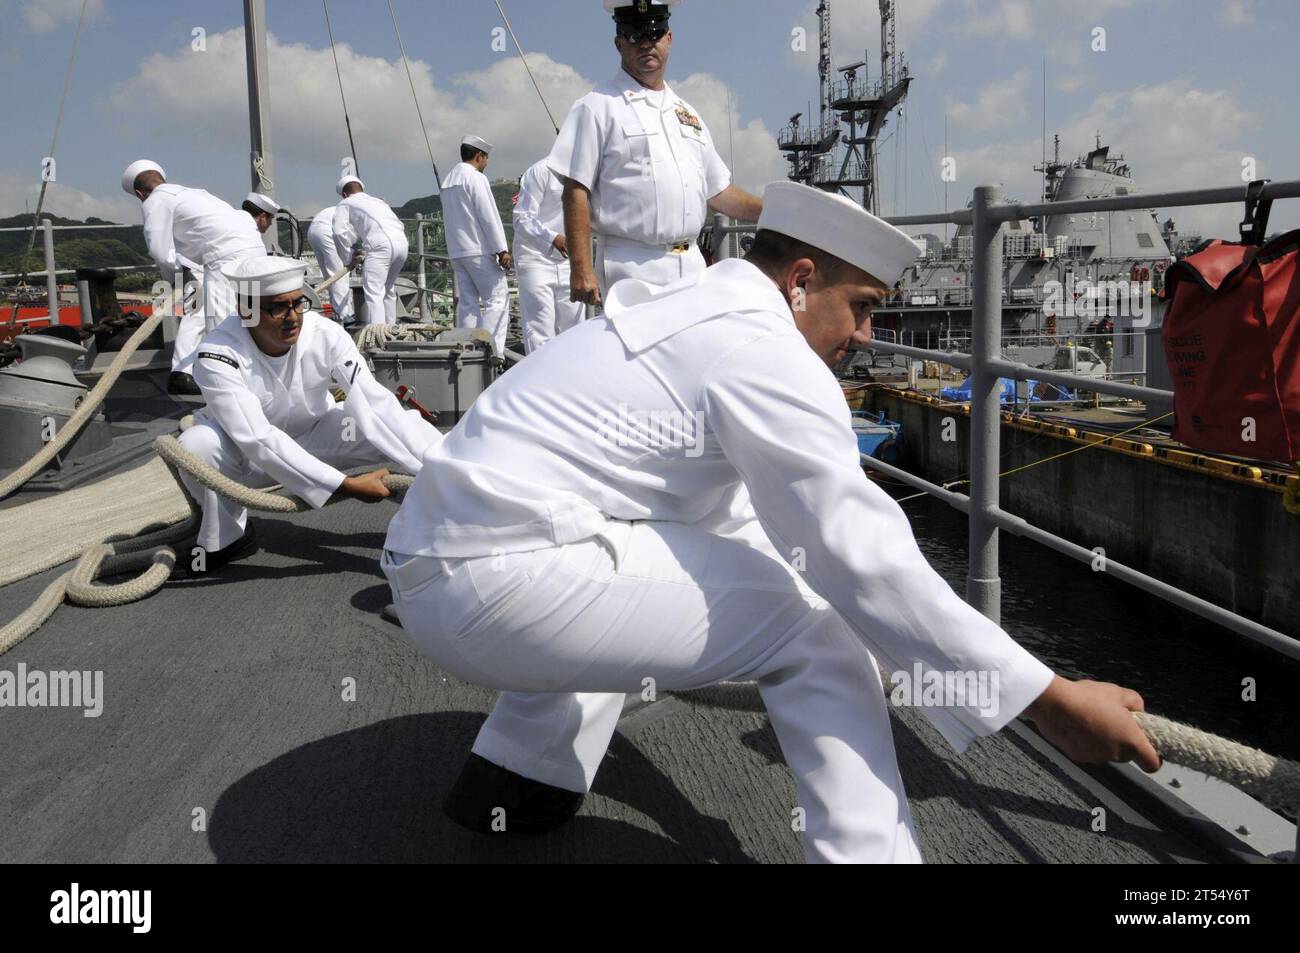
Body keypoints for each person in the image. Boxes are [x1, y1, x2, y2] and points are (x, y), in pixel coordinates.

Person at [381, 182, 1160, 862]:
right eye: (859, 309)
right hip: (500, 575)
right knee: (821, 633)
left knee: (650, 563)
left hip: (442, 559)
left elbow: (736, 524)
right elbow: (857, 551)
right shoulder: (765, 348)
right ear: (802, 279)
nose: (863, 337)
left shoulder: (688, 309)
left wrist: (909, 646)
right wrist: (1049, 700)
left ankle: (519, 774)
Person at [176, 256, 439, 573]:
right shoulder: (217, 354)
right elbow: (258, 437)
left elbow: (373, 401)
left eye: (298, 304)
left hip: (316, 434)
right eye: (277, 308)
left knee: (400, 427)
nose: (292, 318)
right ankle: (229, 537)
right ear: (246, 311)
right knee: (195, 445)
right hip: (245, 457)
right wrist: (345, 485)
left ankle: (441, 513)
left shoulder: (326, 334)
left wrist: (436, 469)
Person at [547, 1, 762, 303]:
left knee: (688, 350)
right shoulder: (596, 106)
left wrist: (774, 210)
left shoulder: (687, 113)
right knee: (635, 350)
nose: (646, 44)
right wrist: (580, 269)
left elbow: (719, 191)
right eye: (635, 36)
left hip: (691, 265)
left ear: (669, 39)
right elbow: (575, 190)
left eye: (655, 33)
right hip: (631, 268)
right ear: (619, 43)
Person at [121, 159, 265, 394]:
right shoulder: (196, 194)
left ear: (139, 193)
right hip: (252, 252)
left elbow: (159, 250)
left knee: (223, 325)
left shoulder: (155, 200)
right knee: (249, 319)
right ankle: (245, 379)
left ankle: (227, 388)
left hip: (223, 259)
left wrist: (174, 277)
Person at [441, 135, 511, 356]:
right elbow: (488, 215)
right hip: (478, 249)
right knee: (497, 297)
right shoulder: (475, 178)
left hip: (457, 251)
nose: (486, 164)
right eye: (486, 159)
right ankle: (492, 351)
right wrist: (501, 248)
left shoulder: (448, 180)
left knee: (468, 302)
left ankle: (469, 349)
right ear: (479, 156)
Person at [512, 159, 583, 353]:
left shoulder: (584, 171)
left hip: (570, 259)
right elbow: (522, 218)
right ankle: (540, 380)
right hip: (535, 258)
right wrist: (552, 238)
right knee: (539, 327)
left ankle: (570, 378)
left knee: (575, 326)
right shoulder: (538, 171)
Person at [332, 176, 409, 326]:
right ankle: (391, 329)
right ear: (362, 189)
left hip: (379, 246)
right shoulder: (379, 202)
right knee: (388, 289)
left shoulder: (345, 203)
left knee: (374, 292)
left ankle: (377, 334)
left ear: (344, 194)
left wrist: (347, 258)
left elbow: (338, 232)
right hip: (402, 243)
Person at [307, 204, 355, 324]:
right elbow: (344, 238)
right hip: (328, 231)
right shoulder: (364, 214)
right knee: (339, 275)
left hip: (313, 231)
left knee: (330, 277)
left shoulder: (350, 207)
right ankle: (344, 316)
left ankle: (336, 312)